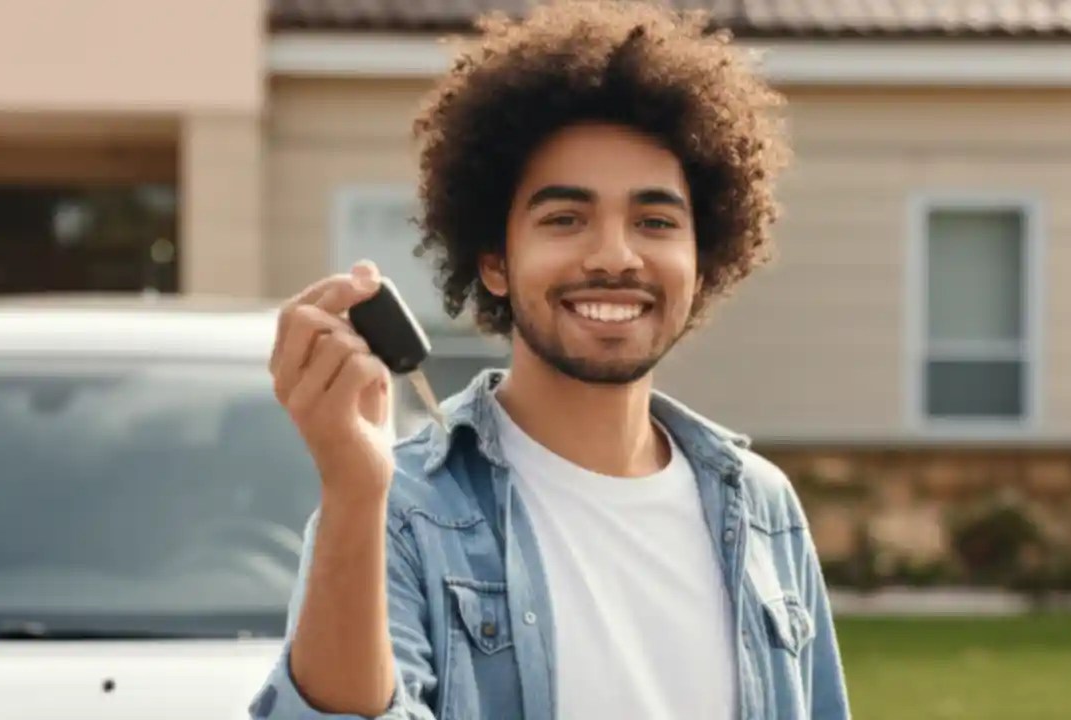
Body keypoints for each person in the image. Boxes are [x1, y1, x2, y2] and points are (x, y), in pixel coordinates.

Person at [251, 1, 851, 718]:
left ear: (703, 260)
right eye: (565, 219)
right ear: (496, 262)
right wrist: (354, 492)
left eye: (655, 221)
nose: (615, 256)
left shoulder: (762, 507)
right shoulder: (400, 510)